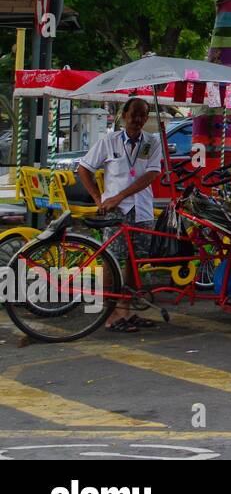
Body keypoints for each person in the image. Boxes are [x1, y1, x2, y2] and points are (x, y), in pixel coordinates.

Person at [77, 96, 163, 333]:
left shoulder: (151, 142)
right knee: (112, 261)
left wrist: (120, 195)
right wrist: (99, 198)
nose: (138, 119)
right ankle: (111, 315)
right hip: (115, 212)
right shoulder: (109, 141)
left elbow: (151, 174)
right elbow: (84, 168)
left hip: (142, 209)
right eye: (134, 114)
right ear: (124, 115)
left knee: (135, 262)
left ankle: (128, 311)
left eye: (143, 115)